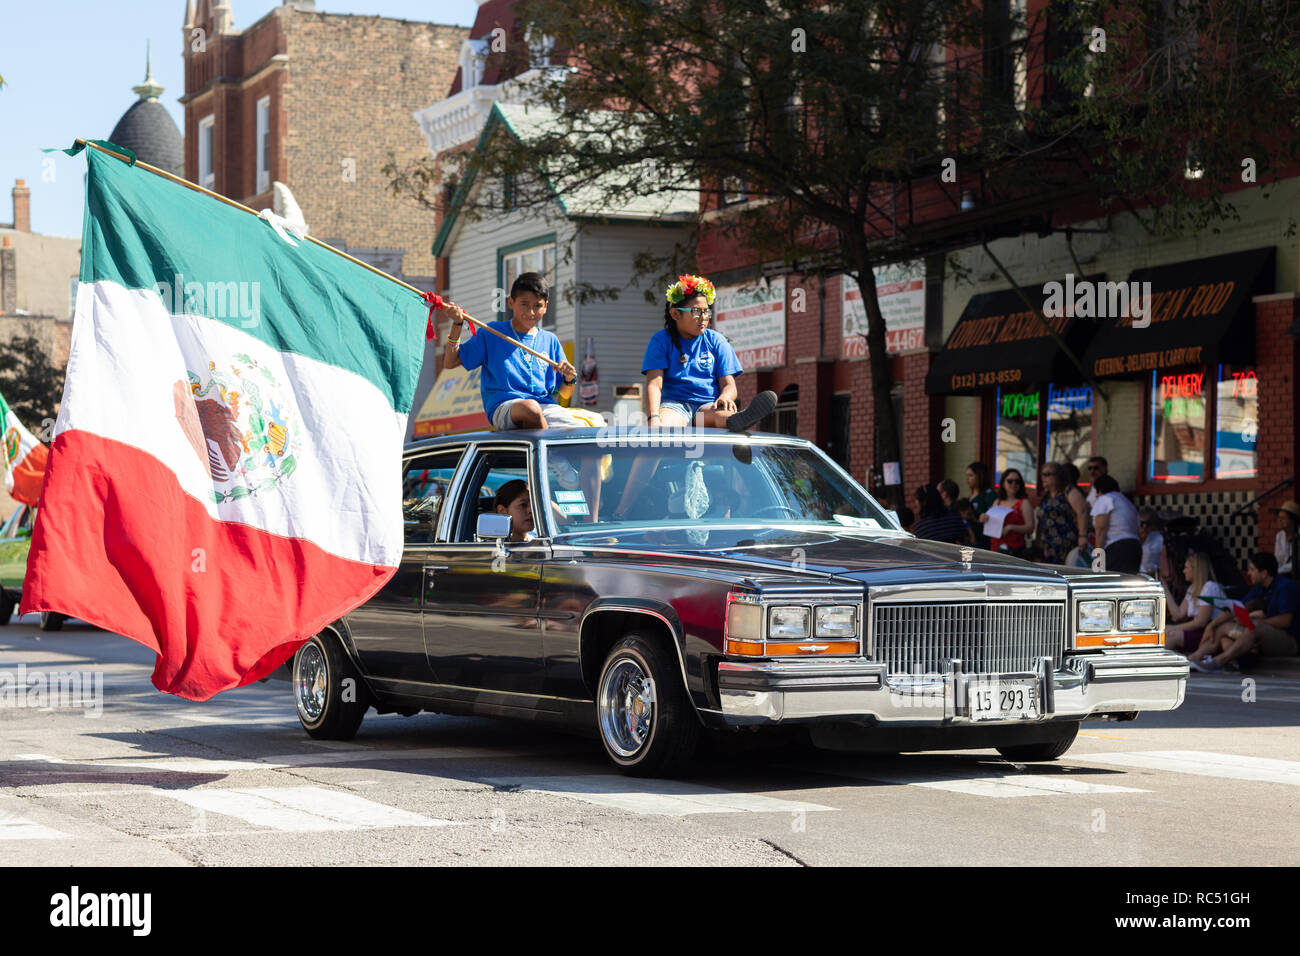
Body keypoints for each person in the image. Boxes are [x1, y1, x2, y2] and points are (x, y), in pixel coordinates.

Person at [444, 272, 583, 430]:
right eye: (524, 304)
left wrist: (569, 378)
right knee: (530, 409)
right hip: (504, 406)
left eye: (537, 305)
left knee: (586, 432)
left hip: (546, 407)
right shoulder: (492, 332)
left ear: (546, 307)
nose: (531, 312)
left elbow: (565, 393)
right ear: (511, 302)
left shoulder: (550, 340)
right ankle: (547, 453)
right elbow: (450, 362)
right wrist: (457, 325)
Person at [642, 274, 777, 431]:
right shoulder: (660, 340)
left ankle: (741, 420)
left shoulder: (717, 341)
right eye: (696, 311)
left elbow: (729, 385)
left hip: (707, 408)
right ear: (675, 314)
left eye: (706, 311)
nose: (703, 317)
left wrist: (725, 397)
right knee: (664, 426)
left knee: (723, 417)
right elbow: (654, 384)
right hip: (675, 407)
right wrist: (654, 417)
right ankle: (661, 430)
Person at [1191, 552, 1300, 671]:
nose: (1249, 573)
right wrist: (1212, 625)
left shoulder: (1285, 587)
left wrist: (1257, 621)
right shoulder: (1259, 588)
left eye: (1252, 570)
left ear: (1264, 573)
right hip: (1262, 635)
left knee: (1254, 625)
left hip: (1289, 641)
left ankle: (1218, 661)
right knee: (1223, 626)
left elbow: (1285, 621)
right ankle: (1192, 659)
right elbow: (1235, 608)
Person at [1161, 552, 1224, 654]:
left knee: (1173, 635)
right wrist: (1164, 589)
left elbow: (1201, 622)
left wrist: (1173, 628)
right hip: (1197, 630)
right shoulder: (1192, 588)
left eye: (1186, 568)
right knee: (1166, 633)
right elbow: (1178, 614)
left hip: (1209, 633)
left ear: (1195, 570)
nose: (1184, 571)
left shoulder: (1209, 587)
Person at [1090, 474, 1142, 573]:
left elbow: (1100, 529)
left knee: (1112, 584)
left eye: (1096, 492)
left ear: (1100, 490)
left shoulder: (1105, 499)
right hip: (1135, 547)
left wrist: (1098, 559)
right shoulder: (1126, 501)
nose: (1096, 496)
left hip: (1117, 548)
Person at [979, 467, 1034, 556]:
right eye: (1010, 481)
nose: (1013, 484)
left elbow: (1030, 527)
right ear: (1003, 483)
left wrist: (1011, 527)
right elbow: (989, 521)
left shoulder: (1024, 503)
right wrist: (984, 517)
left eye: (1017, 481)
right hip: (995, 547)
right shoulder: (997, 502)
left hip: (1015, 550)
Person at [1036, 463, 1080, 564]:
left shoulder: (1068, 491)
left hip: (1065, 545)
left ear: (1058, 475)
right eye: (1042, 475)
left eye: (1047, 474)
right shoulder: (1046, 495)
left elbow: (1082, 512)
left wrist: (1083, 537)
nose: (1043, 478)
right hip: (1047, 547)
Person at [964, 461, 996, 548]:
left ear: (980, 476)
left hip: (983, 540)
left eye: (970, 475)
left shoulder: (989, 495)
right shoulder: (970, 497)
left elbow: (993, 518)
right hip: (969, 540)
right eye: (966, 475)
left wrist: (975, 519)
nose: (967, 479)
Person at [1269, 500, 1300, 577]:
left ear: (1292, 520)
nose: (1279, 520)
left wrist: (1278, 571)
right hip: (1283, 575)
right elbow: (1277, 559)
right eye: (1279, 517)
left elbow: (1297, 562)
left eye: (1283, 518)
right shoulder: (1279, 536)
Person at [1138, 507, 1165, 577]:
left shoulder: (1159, 538)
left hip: (1153, 577)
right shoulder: (1130, 538)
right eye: (1141, 523)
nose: (1144, 527)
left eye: (1148, 523)